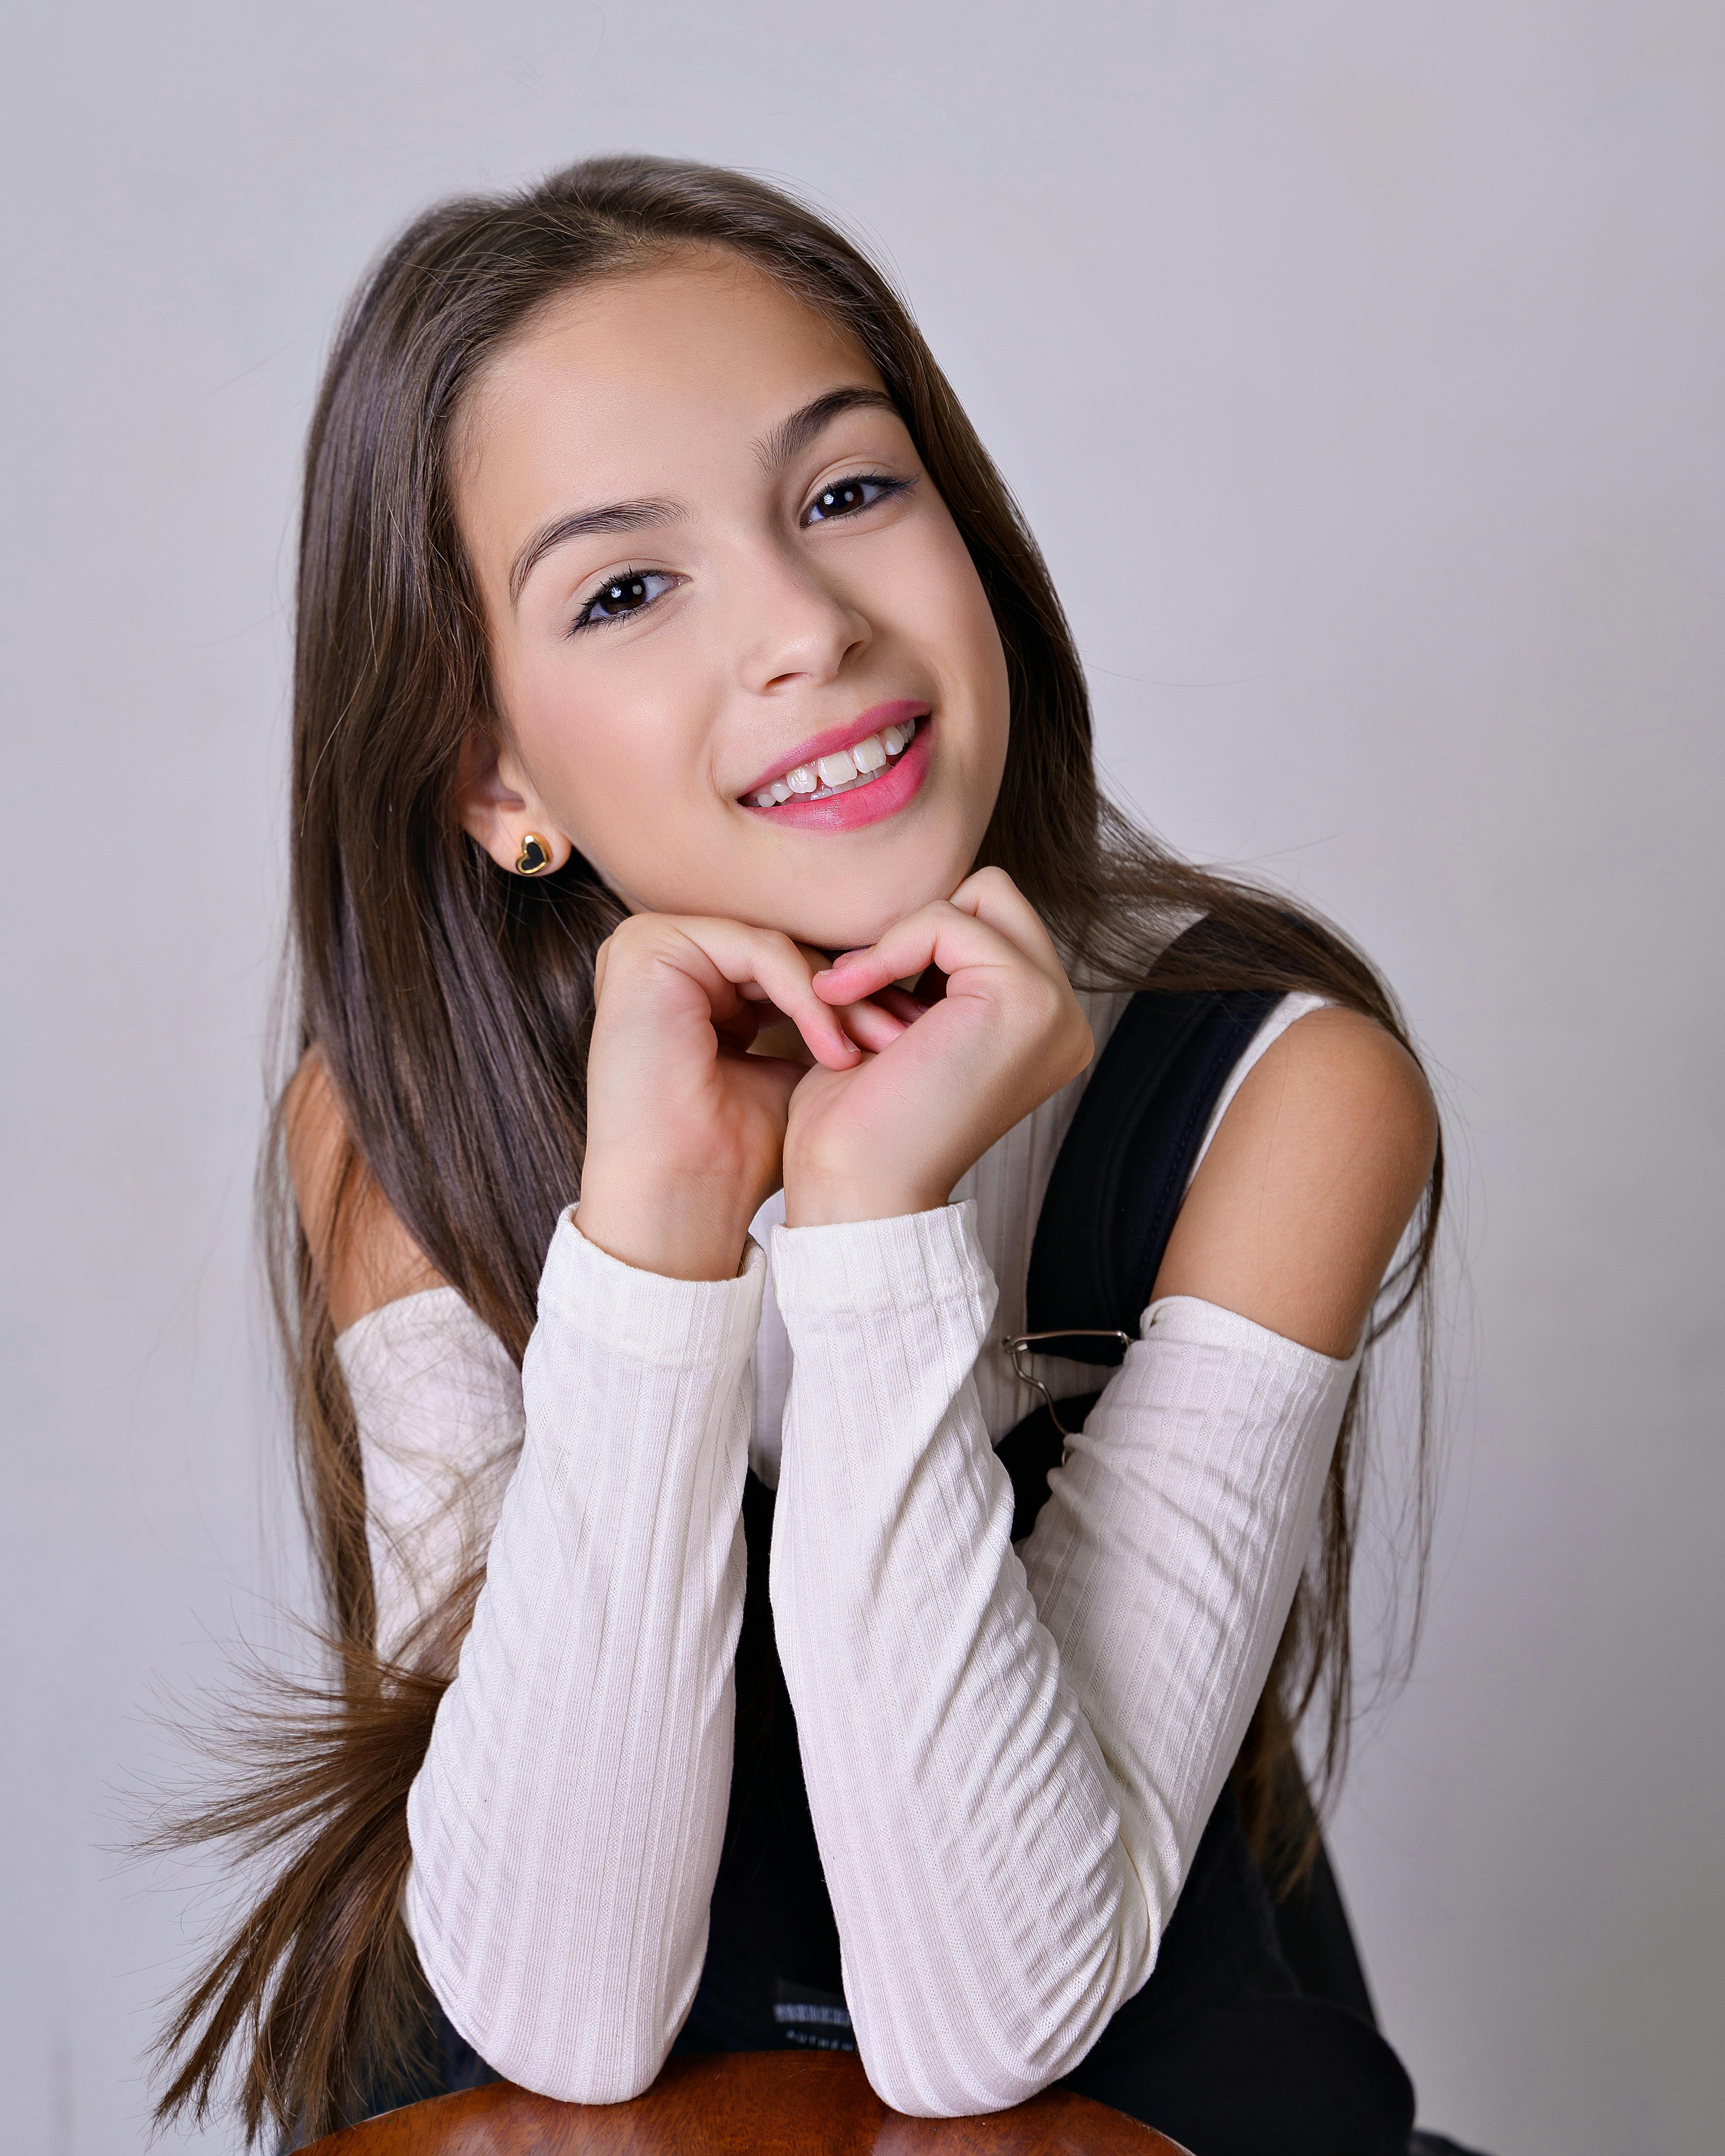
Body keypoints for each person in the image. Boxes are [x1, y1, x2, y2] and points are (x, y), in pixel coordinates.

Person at [155, 156, 1444, 2155]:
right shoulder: (397, 1116)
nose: (807, 628)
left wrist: (869, 1218)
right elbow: (556, 2011)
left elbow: (986, 2020)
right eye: (626, 586)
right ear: (495, 777)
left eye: (847, 492)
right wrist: (658, 1240)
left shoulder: (1279, 1090)